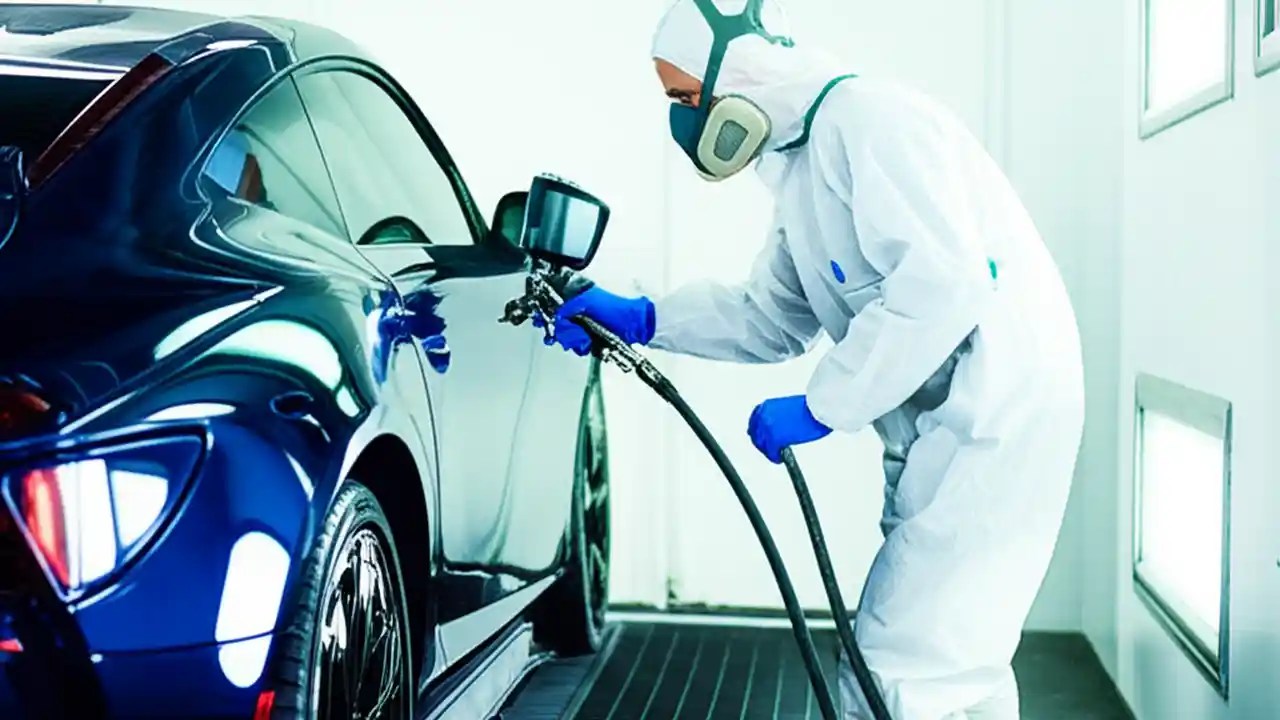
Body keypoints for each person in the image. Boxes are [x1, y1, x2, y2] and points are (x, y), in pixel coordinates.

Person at [544, 0, 1085, 717]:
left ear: (735, 77)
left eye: (684, 98)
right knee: (956, 666)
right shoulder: (802, 171)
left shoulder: (870, 121)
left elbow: (946, 282)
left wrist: (823, 405)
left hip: (995, 415)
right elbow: (769, 316)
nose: (682, 122)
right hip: (942, 433)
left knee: (904, 664)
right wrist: (645, 318)